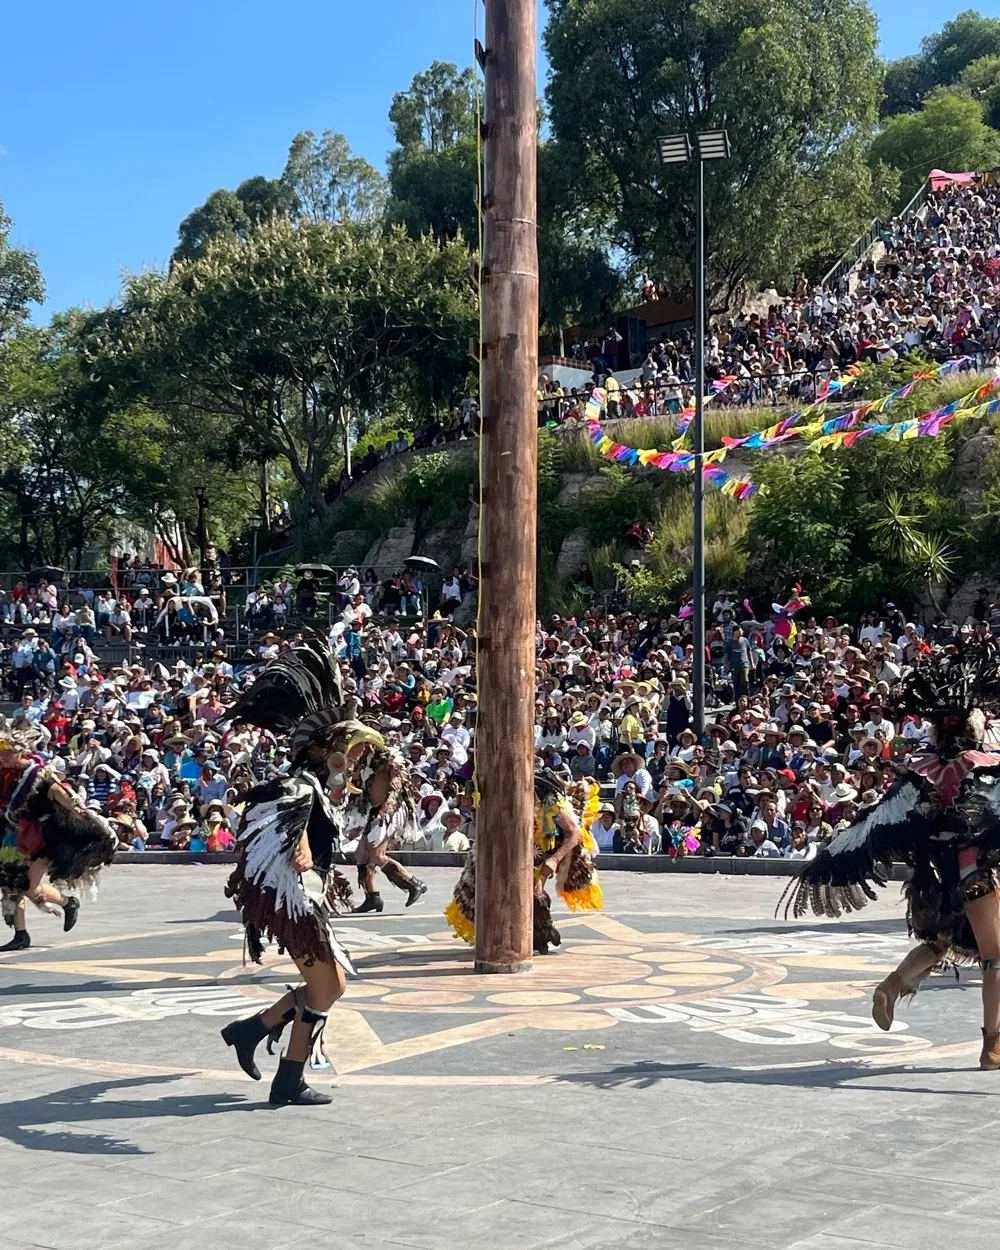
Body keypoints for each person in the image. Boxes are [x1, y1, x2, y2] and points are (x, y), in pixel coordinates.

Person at [780, 643, 1000, 1070]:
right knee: (994, 958)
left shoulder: (918, 775)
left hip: (932, 882)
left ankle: (893, 985)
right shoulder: (986, 768)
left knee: (941, 942)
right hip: (976, 879)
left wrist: (827, 860)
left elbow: (871, 824)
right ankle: (993, 1045)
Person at [221, 637, 385, 1106]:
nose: (355, 760)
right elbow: (278, 819)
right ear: (324, 751)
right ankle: (283, 1071)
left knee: (332, 985)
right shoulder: (298, 785)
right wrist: (300, 846)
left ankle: (257, 1035)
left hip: (306, 900)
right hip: (295, 900)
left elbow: (317, 815)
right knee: (327, 986)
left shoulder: (314, 787)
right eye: (350, 751)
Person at [446, 773, 602, 956]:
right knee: (487, 894)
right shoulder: (500, 800)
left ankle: (540, 934)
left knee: (535, 895)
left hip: (538, 856)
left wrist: (554, 860)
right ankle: (504, 939)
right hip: (505, 855)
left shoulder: (548, 802)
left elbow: (573, 832)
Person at [0, 723, 117, 951]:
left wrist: (78, 810)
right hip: (15, 836)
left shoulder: (39, 775)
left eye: (6, 753)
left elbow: (60, 794)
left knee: (27, 885)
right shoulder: (6, 776)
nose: (2, 757)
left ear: (19, 753)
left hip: (43, 838)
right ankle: (21, 934)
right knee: (11, 883)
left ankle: (68, 902)